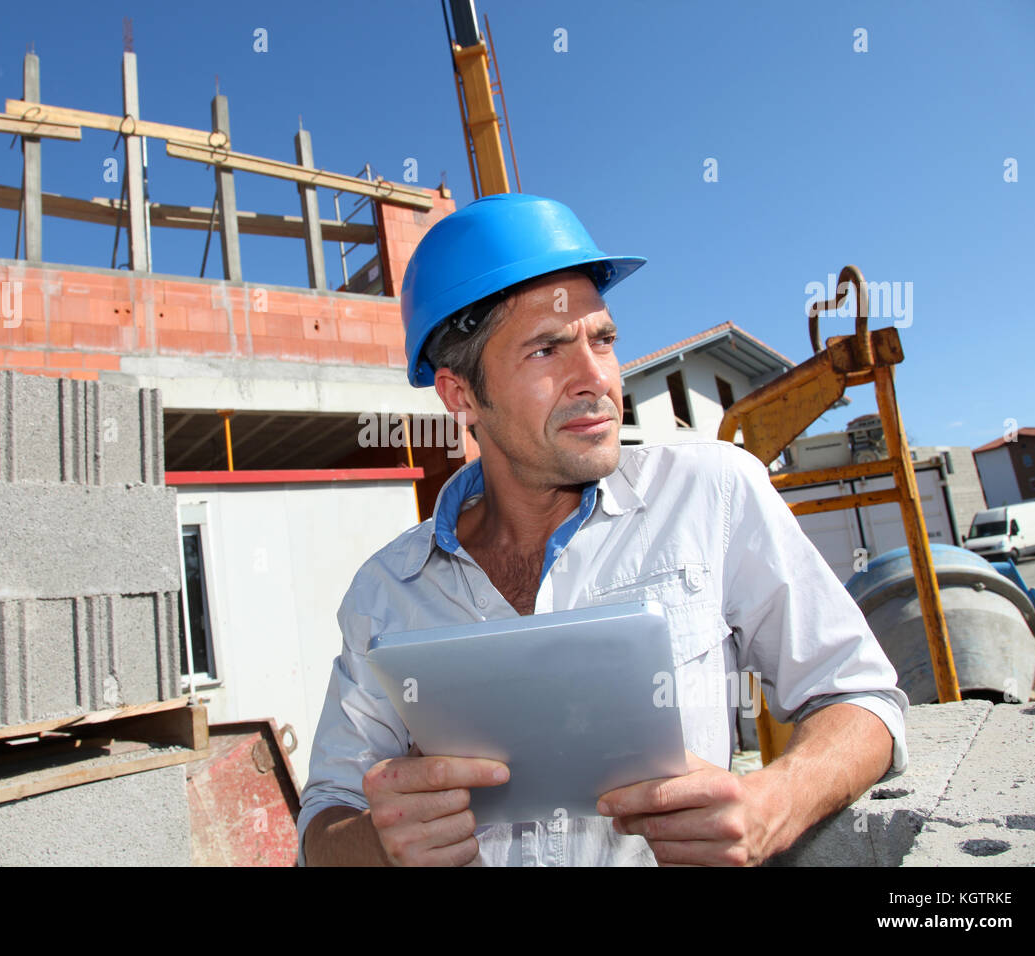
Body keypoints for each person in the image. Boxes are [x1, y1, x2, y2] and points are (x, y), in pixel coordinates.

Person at [297, 192, 908, 867]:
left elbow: (862, 698)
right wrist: (377, 845)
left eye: (604, 339)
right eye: (546, 350)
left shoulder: (712, 495)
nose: (596, 378)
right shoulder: (387, 591)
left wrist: (773, 803)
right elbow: (324, 824)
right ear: (460, 395)